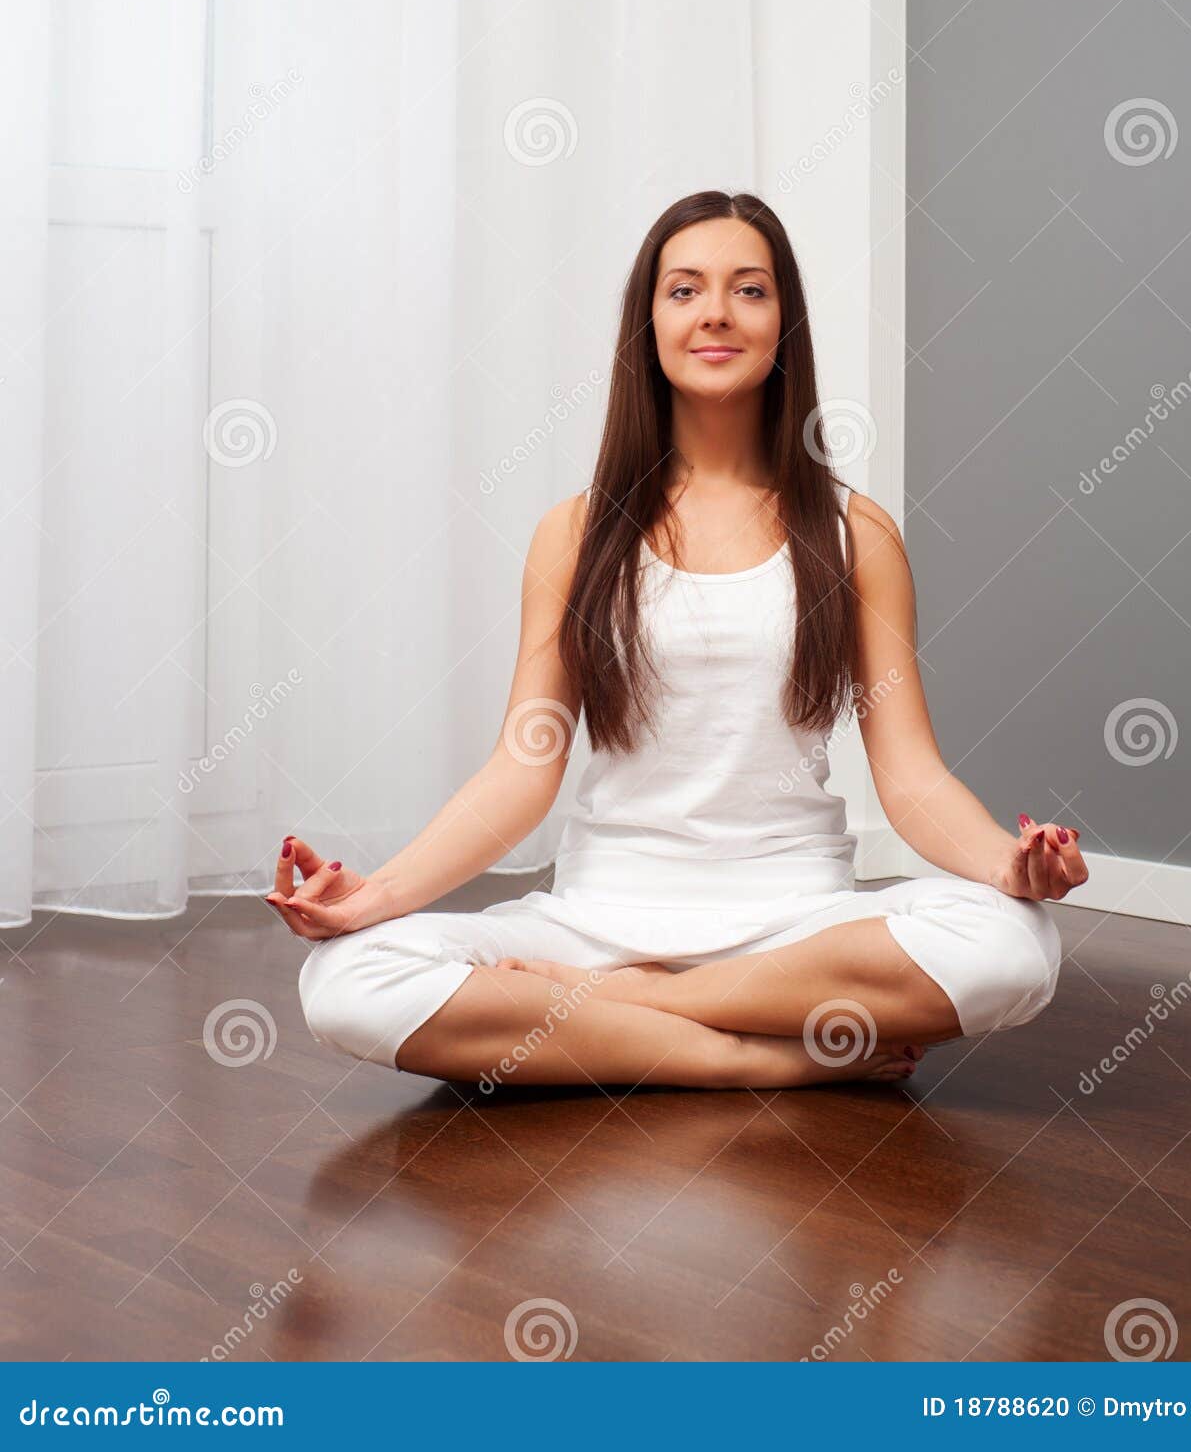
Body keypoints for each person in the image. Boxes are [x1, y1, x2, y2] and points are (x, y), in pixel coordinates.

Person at [268, 190, 1087, 1091]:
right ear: (647, 322)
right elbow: (521, 765)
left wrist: (1003, 867)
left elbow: (910, 776)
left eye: (749, 290)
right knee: (345, 984)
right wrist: (374, 899)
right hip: (597, 917)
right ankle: (747, 1060)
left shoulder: (858, 534)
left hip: (796, 928)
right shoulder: (575, 533)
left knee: (1015, 949)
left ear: (784, 323)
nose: (715, 314)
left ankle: (626, 1010)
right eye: (684, 289)